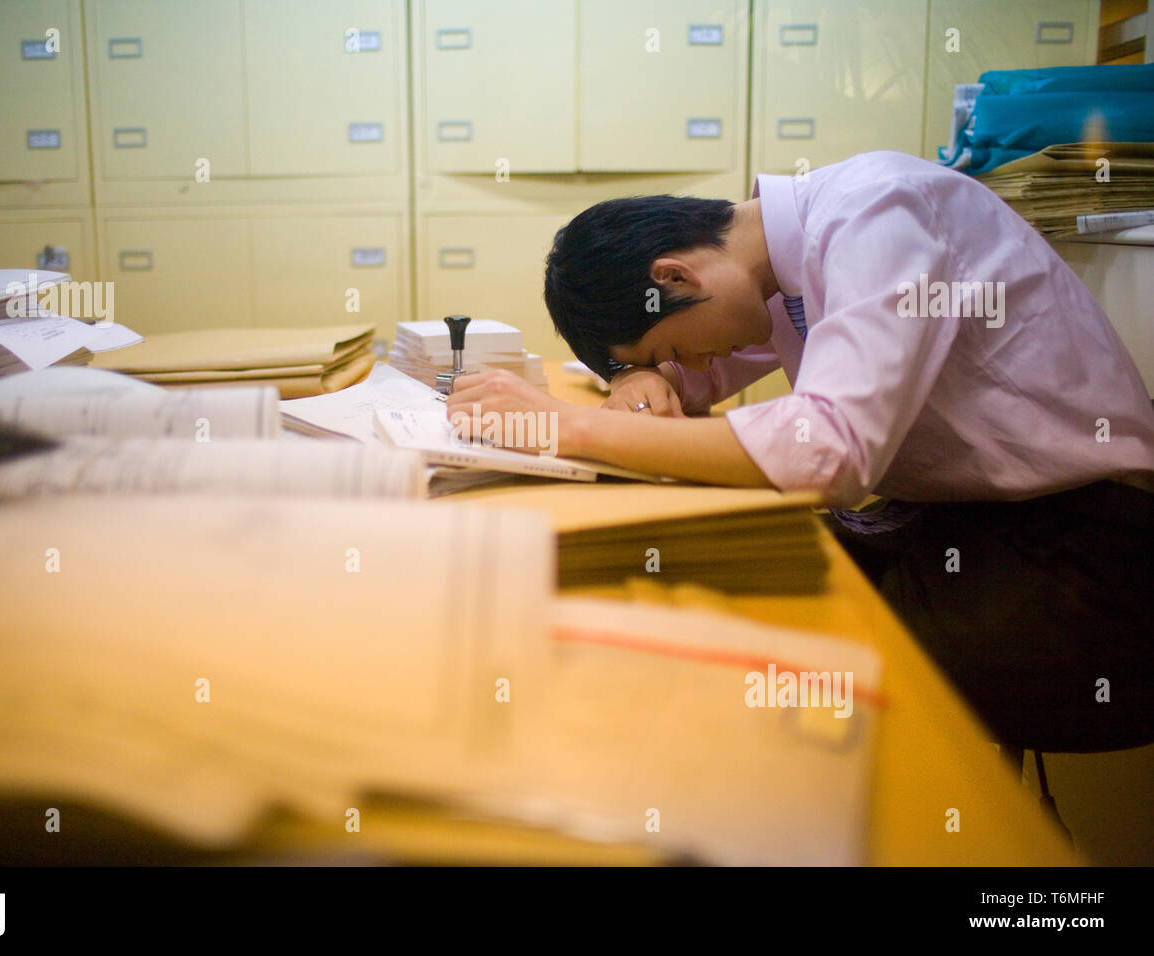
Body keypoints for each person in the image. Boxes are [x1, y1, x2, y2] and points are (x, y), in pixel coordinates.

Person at [445, 150, 1154, 753]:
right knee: (705, 591)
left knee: (771, 675)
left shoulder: (878, 213)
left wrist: (569, 428)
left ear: (674, 278)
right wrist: (641, 373)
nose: (691, 361)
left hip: (1091, 561)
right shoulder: (776, 269)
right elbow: (703, 373)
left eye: (668, 344)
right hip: (970, 524)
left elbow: (832, 451)